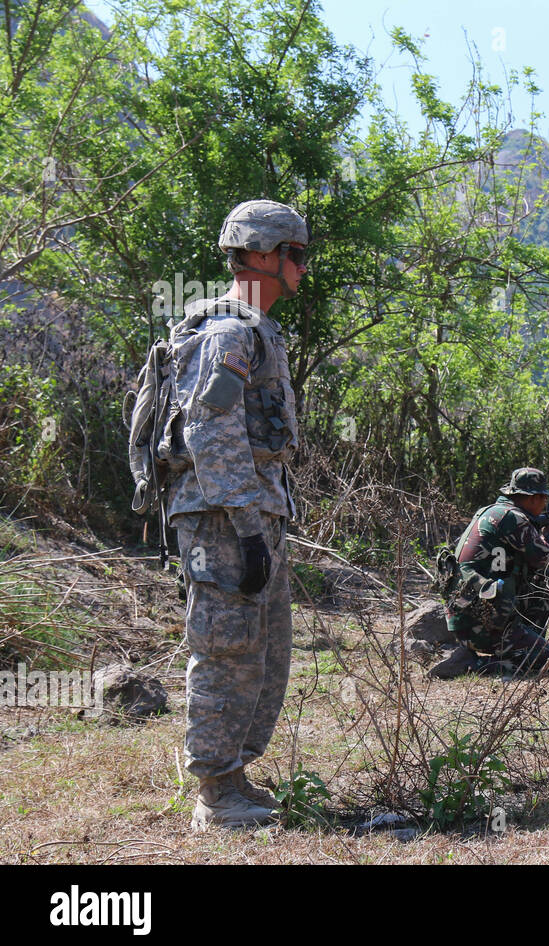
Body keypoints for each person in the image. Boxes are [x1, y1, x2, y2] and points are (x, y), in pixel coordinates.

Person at [166, 199, 308, 829]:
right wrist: (248, 528)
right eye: (294, 255)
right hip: (225, 519)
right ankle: (216, 796)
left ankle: (235, 777)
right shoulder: (229, 331)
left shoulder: (257, 328)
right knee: (226, 649)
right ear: (257, 255)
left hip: (252, 513)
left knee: (264, 651)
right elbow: (209, 431)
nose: (303, 269)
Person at [435, 468, 549, 679]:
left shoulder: (492, 512)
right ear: (533, 498)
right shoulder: (513, 518)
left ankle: (525, 644)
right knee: (548, 661)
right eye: (543, 498)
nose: (544, 505)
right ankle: (474, 664)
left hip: (468, 618)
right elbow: (544, 558)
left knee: (544, 580)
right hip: (481, 624)